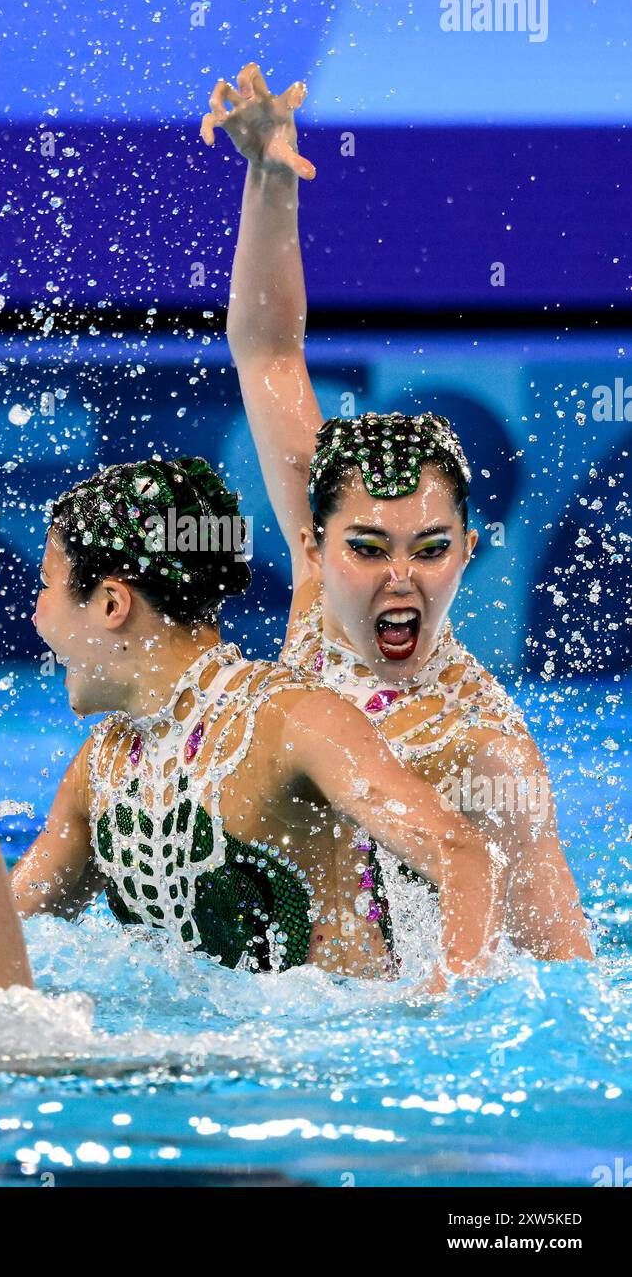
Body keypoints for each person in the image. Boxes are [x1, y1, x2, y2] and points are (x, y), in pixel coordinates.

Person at [0, 136, 503, 1003]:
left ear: (114, 603)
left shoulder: (294, 719)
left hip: (345, 1086)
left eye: (52, 589)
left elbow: (461, 857)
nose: (38, 619)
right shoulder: (105, 766)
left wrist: (443, 1012)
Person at [201, 62, 593, 970]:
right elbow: (266, 349)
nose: (400, 577)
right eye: (368, 547)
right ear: (313, 542)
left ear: (470, 551)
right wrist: (268, 174)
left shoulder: (486, 758)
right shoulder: (313, 593)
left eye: (431, 549)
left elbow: (561, 982)